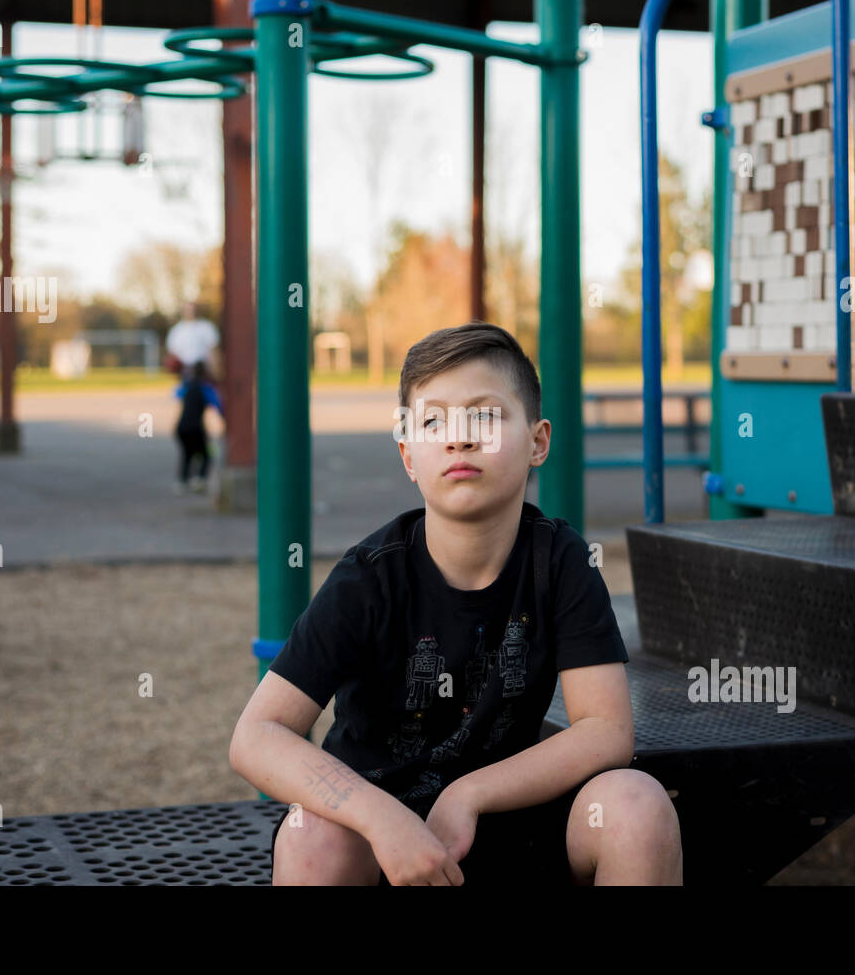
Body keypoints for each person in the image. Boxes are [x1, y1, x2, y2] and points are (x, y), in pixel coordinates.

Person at [228, 321, 682, 886]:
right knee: (309, 834)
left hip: (507, 823)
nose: (459, 437)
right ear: (409, 456)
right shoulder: (369, 579)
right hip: (376, 848)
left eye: (485, 416)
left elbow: (607, 730)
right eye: (434, 420)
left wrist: (470, 793)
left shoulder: (560, 560)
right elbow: (257, 735)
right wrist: (379, 818)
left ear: (538, 441)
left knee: (635, 804)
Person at [173, 359, 223, 494]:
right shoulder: (206, 388)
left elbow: (175, 394)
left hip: (181, 427)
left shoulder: (186, 386)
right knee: (206, 454)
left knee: (187, 454)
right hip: (196, 427)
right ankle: (200, 479)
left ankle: (182, 481)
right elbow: (218, 405)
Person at [165, 302, 220, 374]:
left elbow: (213, 350)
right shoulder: (177, 330)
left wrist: (215, 369)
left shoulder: (206, 327)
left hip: (203, 370)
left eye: (192, 310)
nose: (191, 312)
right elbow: (172, 353)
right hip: (184, 370)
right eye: (188, 310)